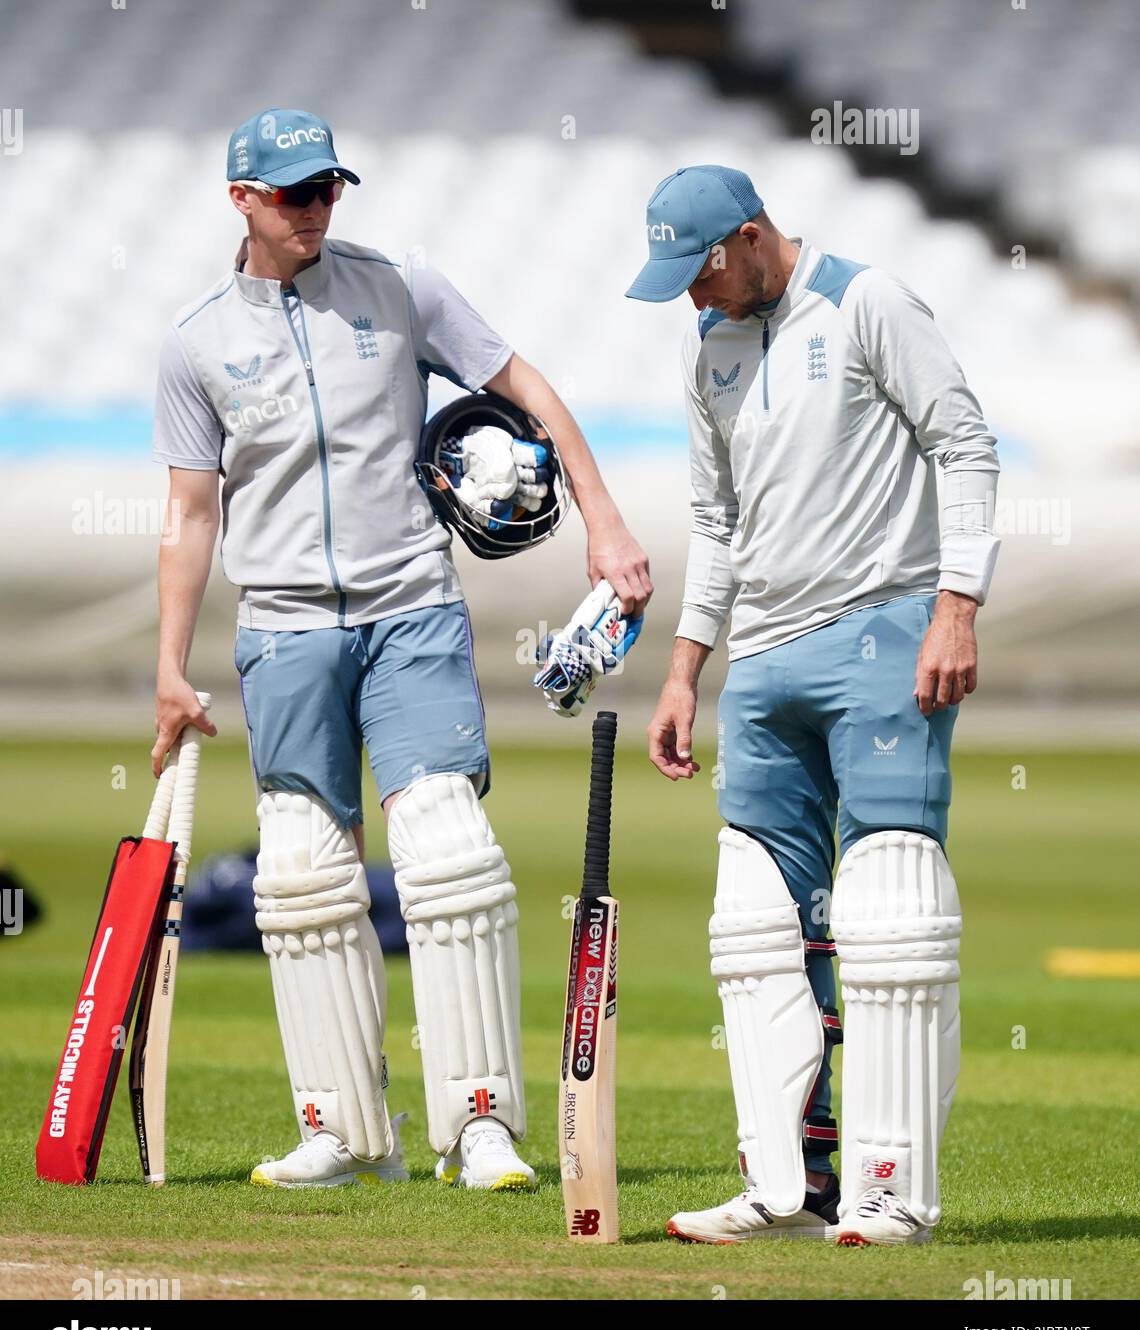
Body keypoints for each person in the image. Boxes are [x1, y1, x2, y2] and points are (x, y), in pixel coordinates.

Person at [150, 107, 651, 1191]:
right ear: (241, 199)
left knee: (447, 848)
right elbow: (192, 516)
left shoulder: (402, 284)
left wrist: (603, 522)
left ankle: (480, 1125)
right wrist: (168, 668)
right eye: (295, 194)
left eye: (330, 188)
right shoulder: (194, 341)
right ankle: (341, 1132)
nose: (318, 210)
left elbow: (530, 390)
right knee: (300, 875)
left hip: (411, 605)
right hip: (282, 627)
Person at [627, 165, 999, 1245]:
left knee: (888, 917)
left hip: (886, 632)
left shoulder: (870, 300)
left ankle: (893, 1193)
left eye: (699, 276)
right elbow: (717, 519)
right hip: (763, 664)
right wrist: (688, 668)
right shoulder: (713, 351)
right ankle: (787, 1187)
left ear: (751, 237)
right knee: (755, 926)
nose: (692, 302)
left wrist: (957, 606)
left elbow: (964, 445)